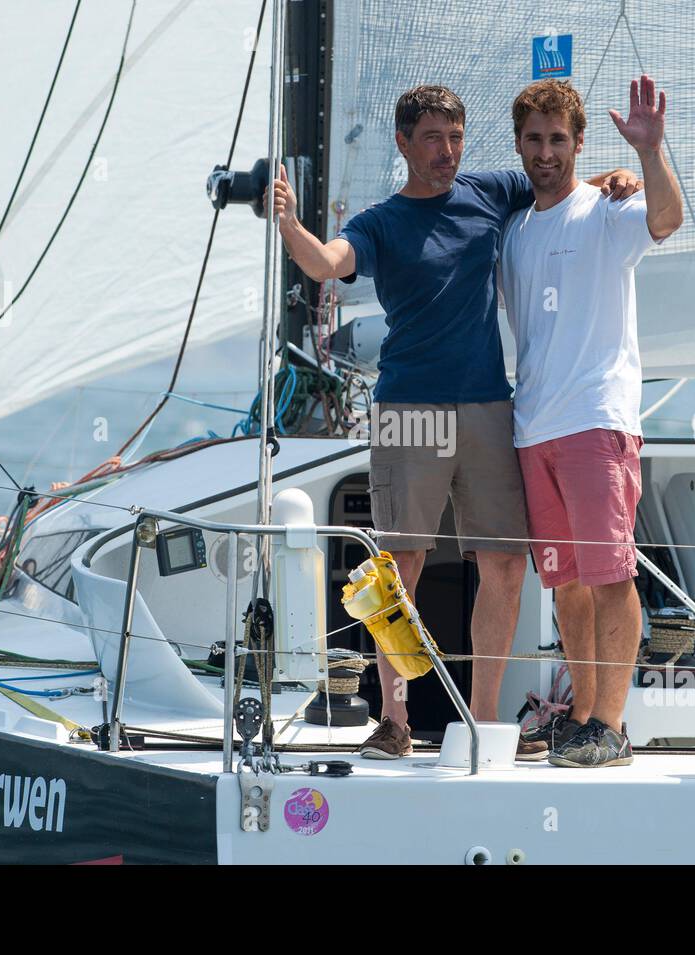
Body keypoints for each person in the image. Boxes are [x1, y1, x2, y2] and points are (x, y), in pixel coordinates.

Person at [267, 85, 641, 759]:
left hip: (491, 408)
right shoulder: (381, 223)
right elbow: (326, 265)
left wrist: (615, 175)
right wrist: (291, 224)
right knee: (399, 567)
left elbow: (558, 180)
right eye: (433, 138)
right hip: (409, 408)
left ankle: (485, 724)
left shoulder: (493, 191)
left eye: (457, 138)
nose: (447, 152)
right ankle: (394, 718)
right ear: (404, 144)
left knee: (503, 565)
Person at [499, 76, 683, 767]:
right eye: (534, 139)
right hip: (533, 430)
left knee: (610, 578)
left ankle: (611, 724)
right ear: (519, 144)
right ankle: (579, 716)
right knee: (567, 587)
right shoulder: (514, 229)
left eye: (558, 139)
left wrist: (650, 153)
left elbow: (667, 220)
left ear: (578, 142)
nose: (546, 151)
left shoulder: (608, 212)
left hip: (596, 422)